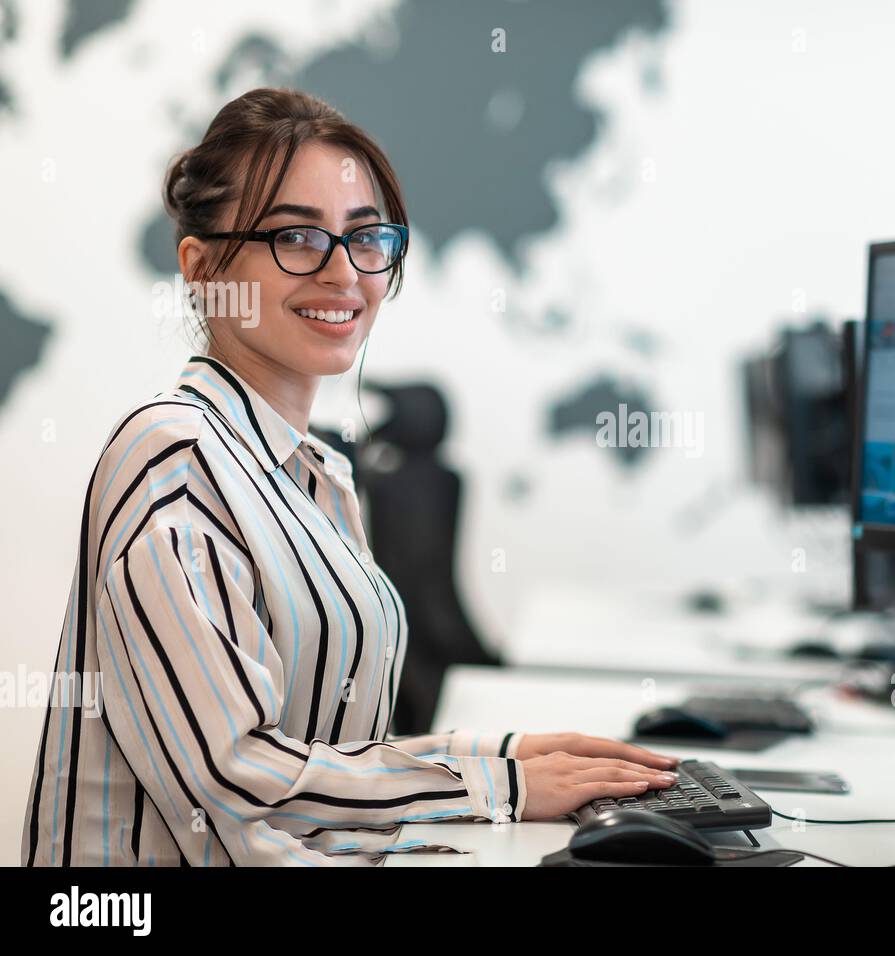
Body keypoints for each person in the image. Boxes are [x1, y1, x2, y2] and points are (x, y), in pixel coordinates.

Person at [22, 88, 677, 866]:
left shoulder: (319, 472)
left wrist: (512, 753)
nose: (344, 273)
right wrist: (497, 787)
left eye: (366, 237)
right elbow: (242, 777)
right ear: (201, 267)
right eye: (297, 236)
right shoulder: (178, 460)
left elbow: (325, 750)